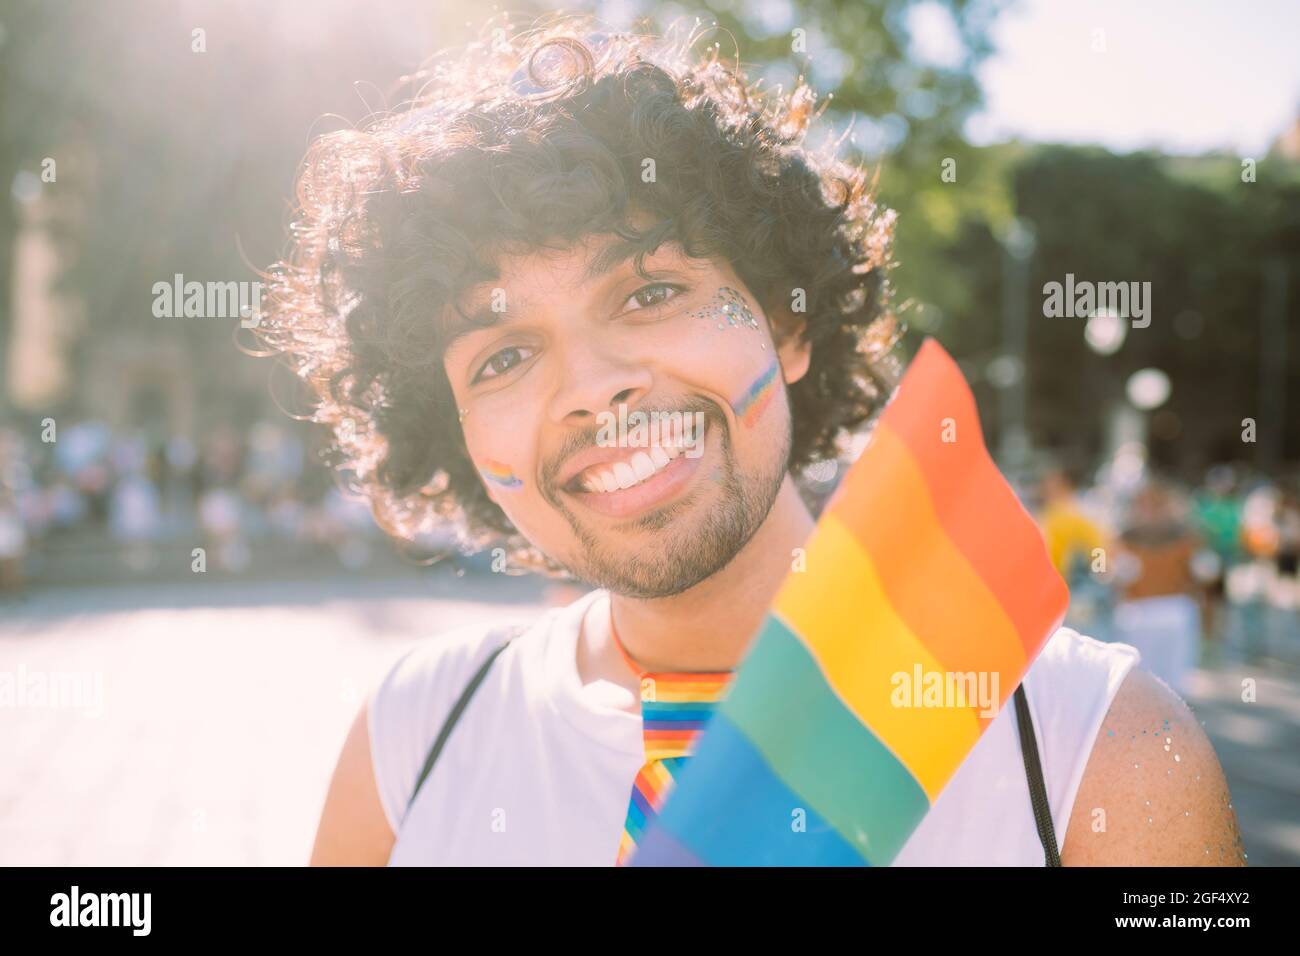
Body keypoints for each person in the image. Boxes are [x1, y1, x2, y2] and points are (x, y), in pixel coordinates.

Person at [259, 18, 1244, 866]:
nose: (593, 387)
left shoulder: (1098, 745)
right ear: (456, 433)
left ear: (786, 321)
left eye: (649, 291)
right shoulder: (409, 739)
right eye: (502, 355)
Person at [1111, 480, 1205, 698]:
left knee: (1172, 684)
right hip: (1139, 614)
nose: (1150, 512)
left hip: (1173, 612)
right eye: (1145, 505)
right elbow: (1116, 576)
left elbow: (1201, 573)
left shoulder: (1187, 539)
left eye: (1156, 505)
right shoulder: (1124, 539)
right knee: (1139, 681)